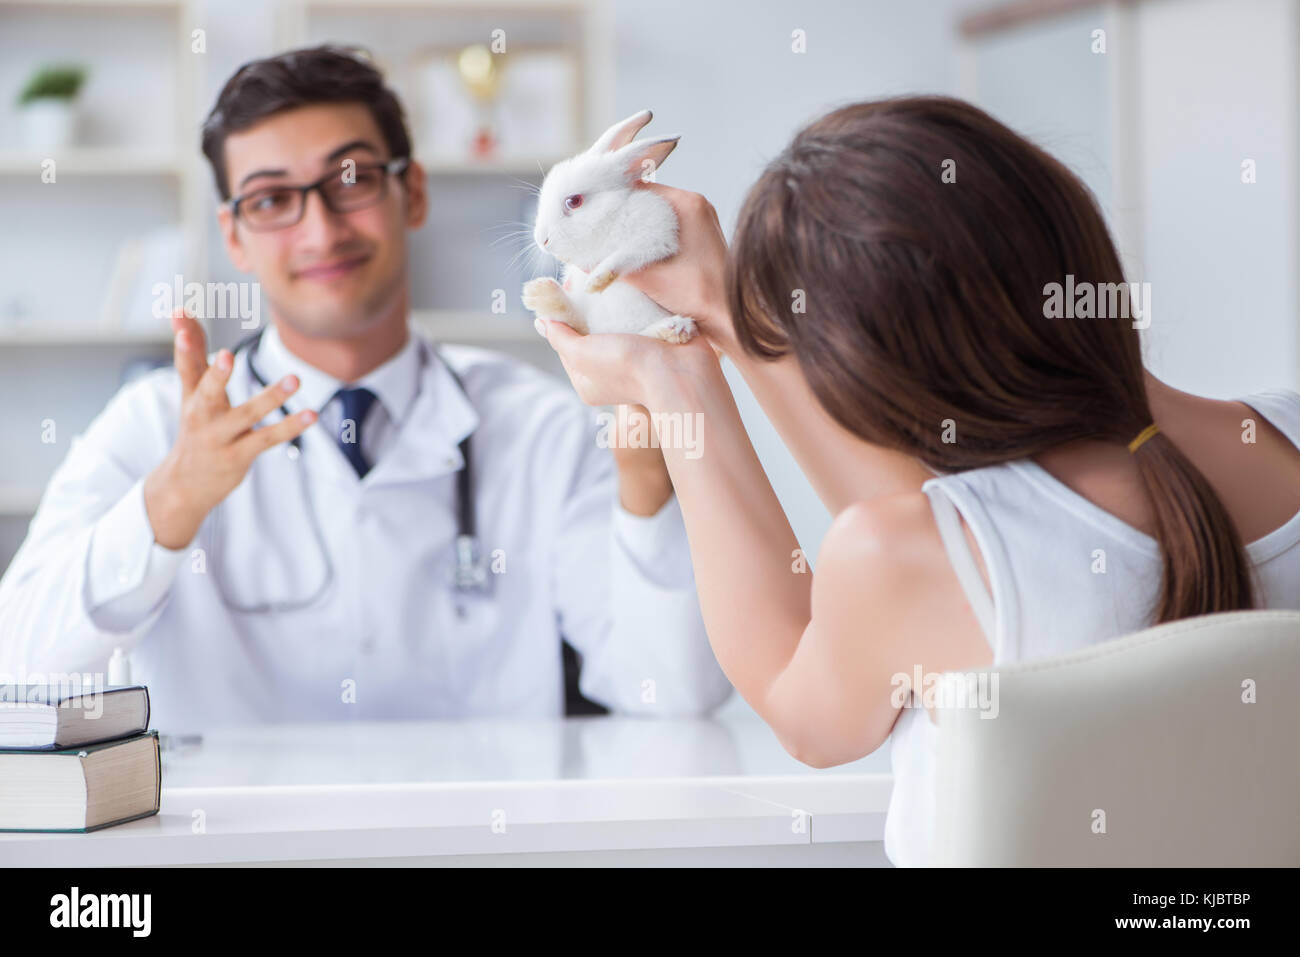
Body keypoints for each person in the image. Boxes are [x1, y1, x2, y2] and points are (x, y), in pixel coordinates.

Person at [533, 95, 1300, 866]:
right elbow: (937, 538)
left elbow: (806, 714)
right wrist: (719, 309)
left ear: (874, 378)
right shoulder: (1283, 434)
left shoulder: (910, 556)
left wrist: (674, 386)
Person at [0, 45, 731, 727]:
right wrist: (169, 503)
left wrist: (645, 482)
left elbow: (675, 694)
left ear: (410, 192)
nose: (319, 230)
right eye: (270, 200)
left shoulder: (540, 426)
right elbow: (17, 668)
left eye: (349, 179)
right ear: (234, 237)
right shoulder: (155, 425)